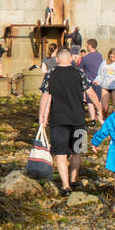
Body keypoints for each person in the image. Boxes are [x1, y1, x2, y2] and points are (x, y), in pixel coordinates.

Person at [38, 47, 101, 192]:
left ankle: (65, 185)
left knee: (60, 153)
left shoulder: (50, 74)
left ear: (57, 59)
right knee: (77, 151)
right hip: (78, 119)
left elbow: (45, 96)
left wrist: (42, 115)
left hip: (58, 119)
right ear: (71, 58)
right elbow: (90, 92)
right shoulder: (79, 73)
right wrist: (98, 109)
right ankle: (73, 180)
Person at [78, 39, 104, 124]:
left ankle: (93, 120)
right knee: (98, 100)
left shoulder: (85, 58)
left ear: (90, 46)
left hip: (89, 81)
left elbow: (79, 69)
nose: (86, 47)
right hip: (99, 81)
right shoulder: (100, 56)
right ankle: (100, 117)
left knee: (90, 101)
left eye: (87, 45)